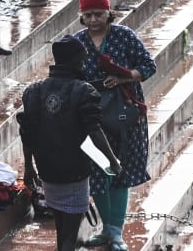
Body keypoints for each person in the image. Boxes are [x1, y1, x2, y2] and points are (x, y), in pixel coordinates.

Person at [18, 35, 121, 251]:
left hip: (48, 172)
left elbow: (26, 133)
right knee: (69, 237)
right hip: (75, 173)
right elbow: (95, 131)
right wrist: (112, 160)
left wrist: (29, 167)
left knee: (61, 229)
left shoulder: (34, 92)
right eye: (82, 61)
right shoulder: (84, 92)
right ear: (76, 62)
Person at [73, 0, 156, 251]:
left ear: (109, 13)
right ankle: (107, 229)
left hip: (125, 116)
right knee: (97, 173)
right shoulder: (78, 42)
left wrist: (123, 77)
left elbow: (148, 66)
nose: (94, 20)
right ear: (82, 17)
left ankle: (115, 232)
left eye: (99, 14)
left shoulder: (124, 36)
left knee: (120, 173)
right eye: (89, 15)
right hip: (92, 118)